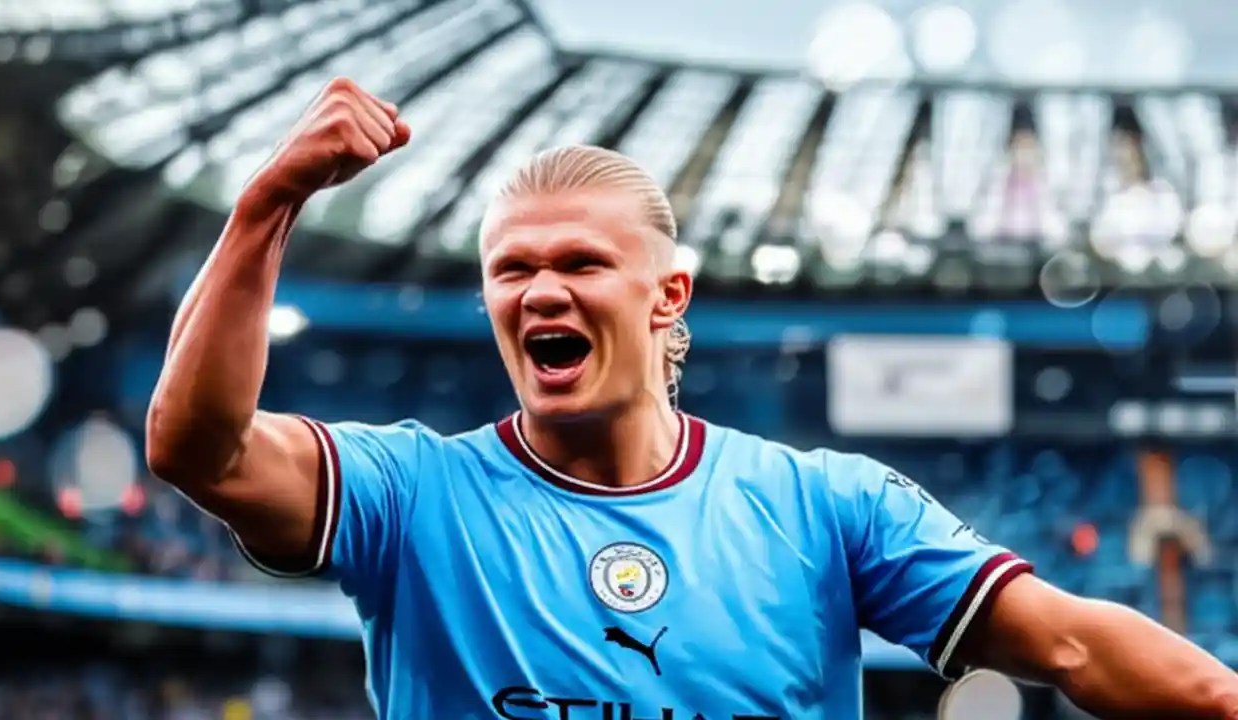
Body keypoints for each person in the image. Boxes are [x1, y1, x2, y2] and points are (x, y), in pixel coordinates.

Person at [145, 76, 1238, 719]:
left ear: (668, 294)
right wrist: (266, 205)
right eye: (510, 271)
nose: (539, 292)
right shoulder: (410, 494)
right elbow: (200, 448)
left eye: (577, 262)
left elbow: (1071, 645)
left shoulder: (825, 507)